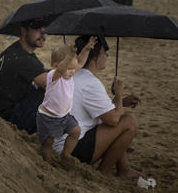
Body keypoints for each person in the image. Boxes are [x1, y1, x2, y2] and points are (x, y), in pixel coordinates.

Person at [52, 36, 144, 179]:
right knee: (129, 122)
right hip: (71, 149)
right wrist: (119, 95)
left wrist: (121, 102)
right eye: (104, 52)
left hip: (60, 144)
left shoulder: (77, 75)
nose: (106, 55)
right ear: (95, 56)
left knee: (112, 119)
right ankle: (103, 172)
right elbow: (113, 120)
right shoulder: (90, 82)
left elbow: (102, 110)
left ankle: (124, 168)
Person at [0, 17, 50, 133]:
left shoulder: (16, 50)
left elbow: (41, 71)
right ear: (24, 30)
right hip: (4, 116)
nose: (43, 35)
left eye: (45, 30)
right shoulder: (25, 60)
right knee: (51, 94)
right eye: (37, 29)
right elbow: (52, 85)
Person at [37, 39, 96, 161]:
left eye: (73, 68)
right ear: (55, 66)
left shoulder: (69, 74)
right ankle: (46, 162)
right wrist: (70, 56)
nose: (73, 71)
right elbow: (61, 69)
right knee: (48, 142)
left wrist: (86, 49)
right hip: (48, 117)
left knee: (75, 132)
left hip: (64, 116)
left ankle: (66, 154)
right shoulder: (54, 76)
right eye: (69, 68)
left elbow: (79, 62)